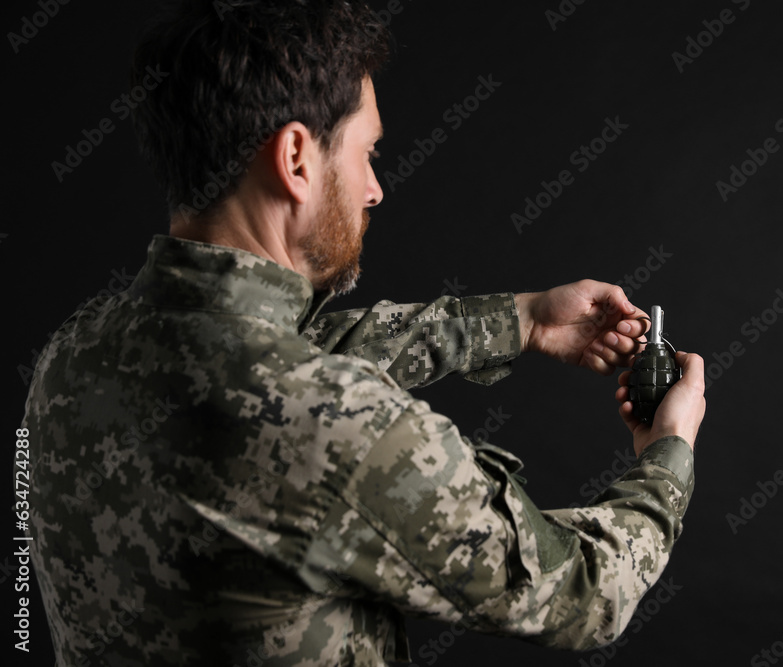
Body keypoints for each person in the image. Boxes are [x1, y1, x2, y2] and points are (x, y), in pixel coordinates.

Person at [22, 1, 706, 665]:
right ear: (295, 158)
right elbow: (587, 591)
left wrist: (520, 319)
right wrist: (667, 452)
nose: (375, 188)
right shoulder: (335, 424)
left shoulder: (70, 356)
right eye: (367, 152)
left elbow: (264, 365)